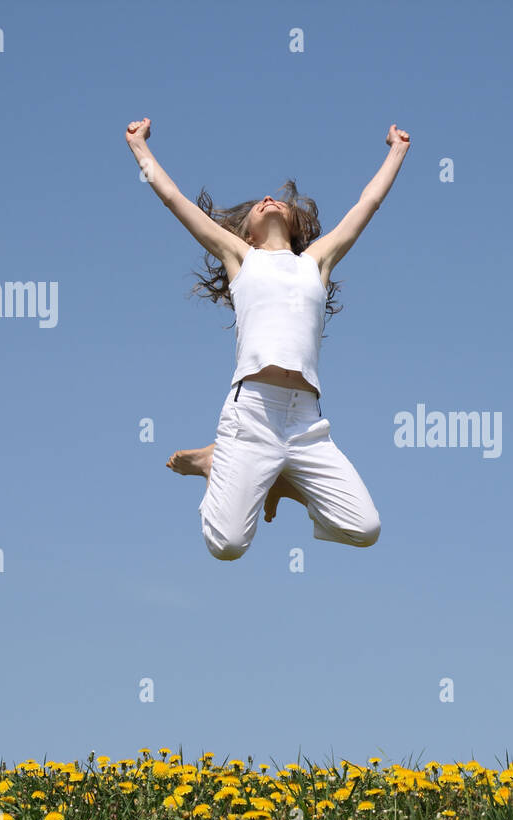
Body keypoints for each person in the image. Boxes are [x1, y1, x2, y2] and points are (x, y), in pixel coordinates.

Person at [124, 116, 410, 559]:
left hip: (305, 421)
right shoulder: (241, 258)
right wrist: (138, 147)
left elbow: (367, 204)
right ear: (246, 232)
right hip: (252, 411)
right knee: (228, 545)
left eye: (277, 200)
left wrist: (396, 150)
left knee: (365, 527)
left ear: (296, 225)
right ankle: (214, 460)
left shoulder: (316, 261)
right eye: (260, 203)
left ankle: (280, 478)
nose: (269, 199)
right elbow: (173, 198)